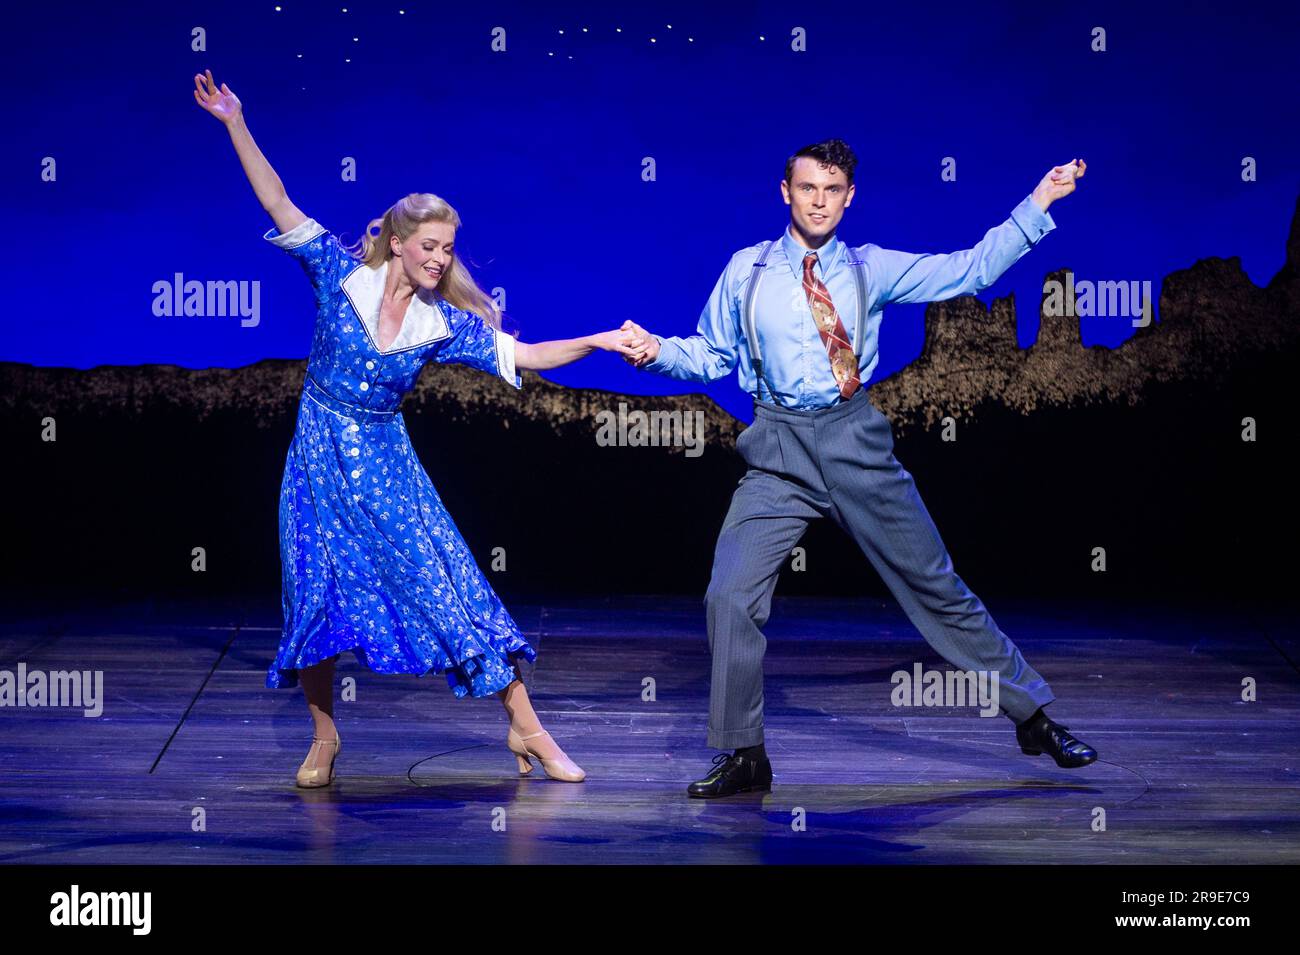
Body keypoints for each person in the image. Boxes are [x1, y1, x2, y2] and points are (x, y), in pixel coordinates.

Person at [194, 69, 638, 788]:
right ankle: (324, 734)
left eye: (447, 249)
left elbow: (525, 355)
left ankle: (526, 726)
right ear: (398, 241)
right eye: (428, 245)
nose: (439, 258)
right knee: (317, 589)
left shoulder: (441, 325)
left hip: (387, 462)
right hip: (317, 457)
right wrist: (235, 121)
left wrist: (600, 339)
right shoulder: (338, 277)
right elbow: (277, 199)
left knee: (447, 583)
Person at [622, 139, 1097, 798]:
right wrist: (655, 352)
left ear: (850, 197)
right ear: (784, 193)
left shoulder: (870, 269)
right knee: (728, 595)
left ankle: (1033, 717)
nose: (819, 201)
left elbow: (970, 270)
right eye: (808, 188)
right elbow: (708, 355)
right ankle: (744, 752)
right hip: (779, 449)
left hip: (852, 442)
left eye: (832, 189)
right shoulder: (746, 270)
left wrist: (1038, 202)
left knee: (936, 587)